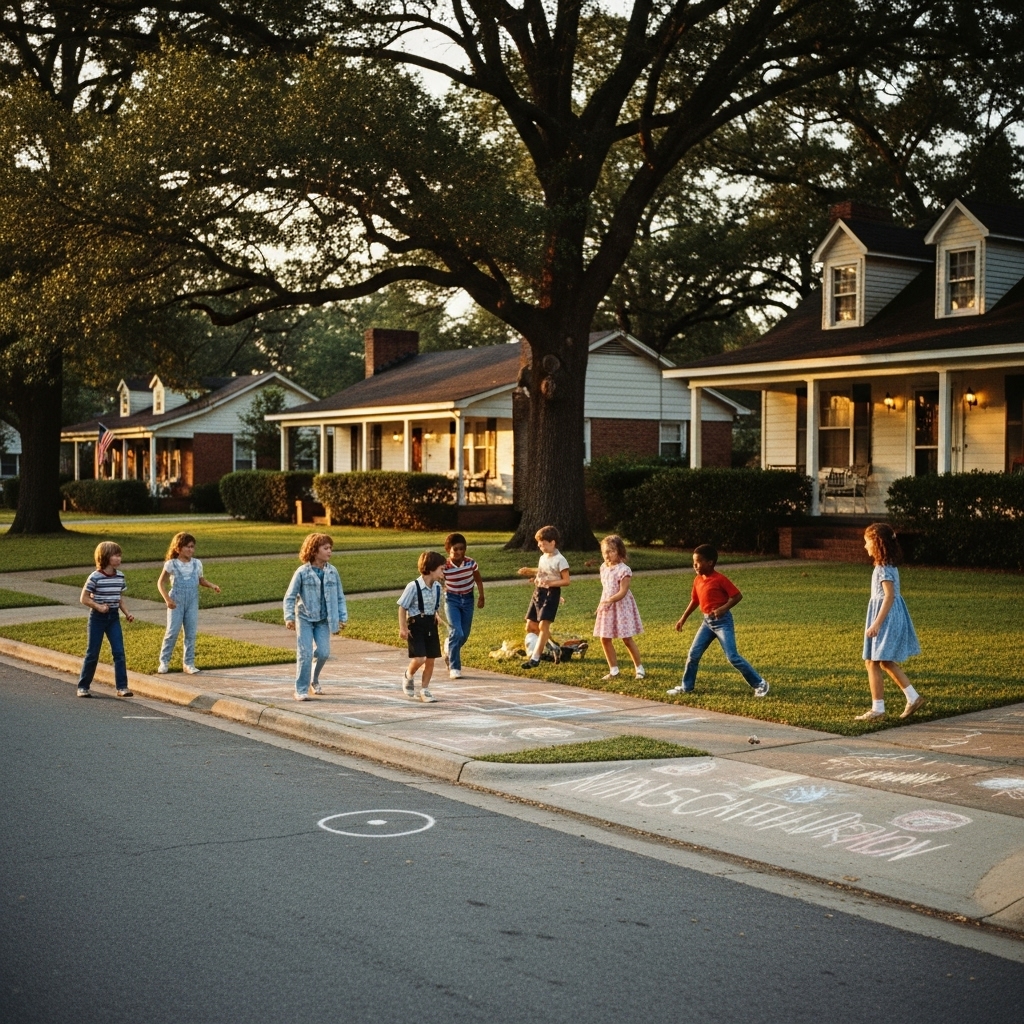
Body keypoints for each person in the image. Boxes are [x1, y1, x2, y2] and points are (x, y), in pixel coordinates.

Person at [667, 543, 769, 697]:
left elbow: (737, 596)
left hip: (723, 622)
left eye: (698, 562)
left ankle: (760, 683)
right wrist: (683, 618)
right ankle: (686, 687)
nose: (695, 565)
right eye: (693, 562)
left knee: (732, 657)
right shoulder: (697, 580)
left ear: (710, 562)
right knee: (693, 655)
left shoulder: (720, 579)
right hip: (707, 623)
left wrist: (723, 608)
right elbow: (695, 600)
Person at [857, 523, 924, 721]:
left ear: (877, 543)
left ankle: (878, 709)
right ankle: (913, 697)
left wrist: (877, 623)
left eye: (867, 542)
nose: (865, 546)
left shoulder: (883, 568)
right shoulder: (888, 565)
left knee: (872, 661)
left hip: (885, 616)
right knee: (882, 661)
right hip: (890, 615)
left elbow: (889, 596)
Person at [283, 533, 347, 701]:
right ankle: (301, 689)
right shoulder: (302, 572)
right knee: (305, 654)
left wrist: (342, 617)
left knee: (324, 653)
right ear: (314, 551)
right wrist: (289, 617)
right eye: (325, 548)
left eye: (330, 548)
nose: (329, 552)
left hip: (323, 620)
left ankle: (314, 679)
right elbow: (290, 596)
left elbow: (340, 596)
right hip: (304, 617)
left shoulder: (333, 572)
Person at [156, 532, 221, 674]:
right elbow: (161, 583)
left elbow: (200, 580)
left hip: (192, 601)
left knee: (190, 632)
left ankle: (188, 663)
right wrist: (168, 599)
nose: (191, 550)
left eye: (192, 547)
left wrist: (212, 585)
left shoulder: (197, 564)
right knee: (172, 631)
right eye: (187, 547)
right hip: (176, 601)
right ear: (178, 548)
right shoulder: (171, 564)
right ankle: (164, 661)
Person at [76, 541, 135, 697]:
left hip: (113, 617)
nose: (119, 558)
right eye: (116, 555)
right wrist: (98, 607)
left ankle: (122, 687)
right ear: (106, 557)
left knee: (119, 652)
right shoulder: (95, 577)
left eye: (120, 555)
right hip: (97, 618)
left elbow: (119, 598)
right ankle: (83, 686)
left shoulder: (120, 576)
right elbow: (84, 598)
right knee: (93, 653)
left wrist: (127, 613)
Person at [517, 525, 571, 669]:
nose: (540, 546)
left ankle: (535, 658)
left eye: (543, 544)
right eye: (539, 544)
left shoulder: (560, 560)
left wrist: (550, 583)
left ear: (553, 542)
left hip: (551, 593)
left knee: (543, 625)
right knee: (530, 626)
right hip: (538, 592)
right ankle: (553, 647)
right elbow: (543, 571)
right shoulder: (543, 557)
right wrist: (533, 574)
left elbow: (566, 580)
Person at [593, 535, 645, 680]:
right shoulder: (603, 568)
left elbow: (622, 591)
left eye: (611, 551)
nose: (608, 555)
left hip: (621, 606)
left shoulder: (624, 570)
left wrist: (610, 600)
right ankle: (614, 670)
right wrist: (603, 603)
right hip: (607, 604)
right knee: (605, 638)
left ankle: (639, 668)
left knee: (626, 638)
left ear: (619, 551)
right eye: (605, 552)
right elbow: (606, 588)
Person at [398, 551, 446, 702]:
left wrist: (436, 615)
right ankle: (408, 674)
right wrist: (403, 627)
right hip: (416, 625)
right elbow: (402, 607)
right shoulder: (413, 586)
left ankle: (424, 690)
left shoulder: (437, 587)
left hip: (430, 625)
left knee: (430, 659)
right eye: (441, 569)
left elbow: (434, 606)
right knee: (420, 658)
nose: (443, 572)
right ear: (431, 569)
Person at [441, 532, 485, 680]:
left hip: (468, 599)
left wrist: (481, 596)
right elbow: (439, 582)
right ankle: (454, 667)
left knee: (464, 635)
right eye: (455, 549)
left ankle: (448, 647)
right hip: (452, 600)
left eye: (462, 549)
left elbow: (478, 580)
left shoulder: (470, 563)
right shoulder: (445, 567)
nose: (459, 552)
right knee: (457, 632)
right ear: (448, 550)